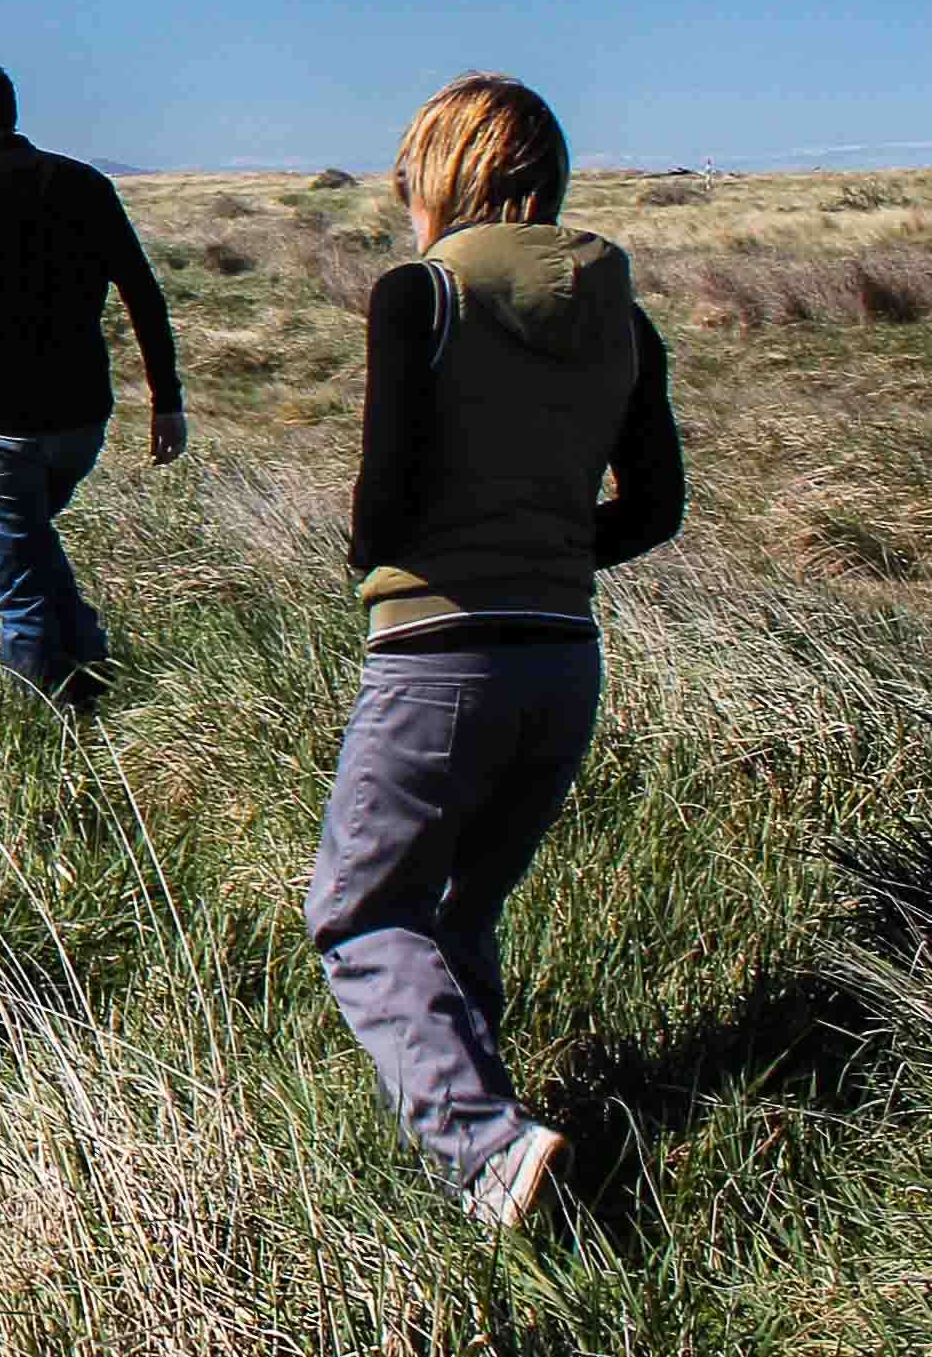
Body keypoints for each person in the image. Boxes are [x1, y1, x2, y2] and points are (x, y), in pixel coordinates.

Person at [308, 72, 685, 1230]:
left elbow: (386, 511)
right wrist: (551, 553)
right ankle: (493, 1176)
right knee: (457, 916)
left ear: (439, 173)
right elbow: (656, 506)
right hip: (563, 658)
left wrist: (404, 558)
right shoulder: (621, 314)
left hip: (436, 657)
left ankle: (485, 1150)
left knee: (362, 916)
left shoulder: (418, 295)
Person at [0, 59, 186, 714]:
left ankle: (38, 732)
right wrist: (166, 398)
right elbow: (143, 294)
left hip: (1, 424)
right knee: (31, 544)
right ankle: (90, 673)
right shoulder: (85, 184)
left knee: (21, 586)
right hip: (82, 418)